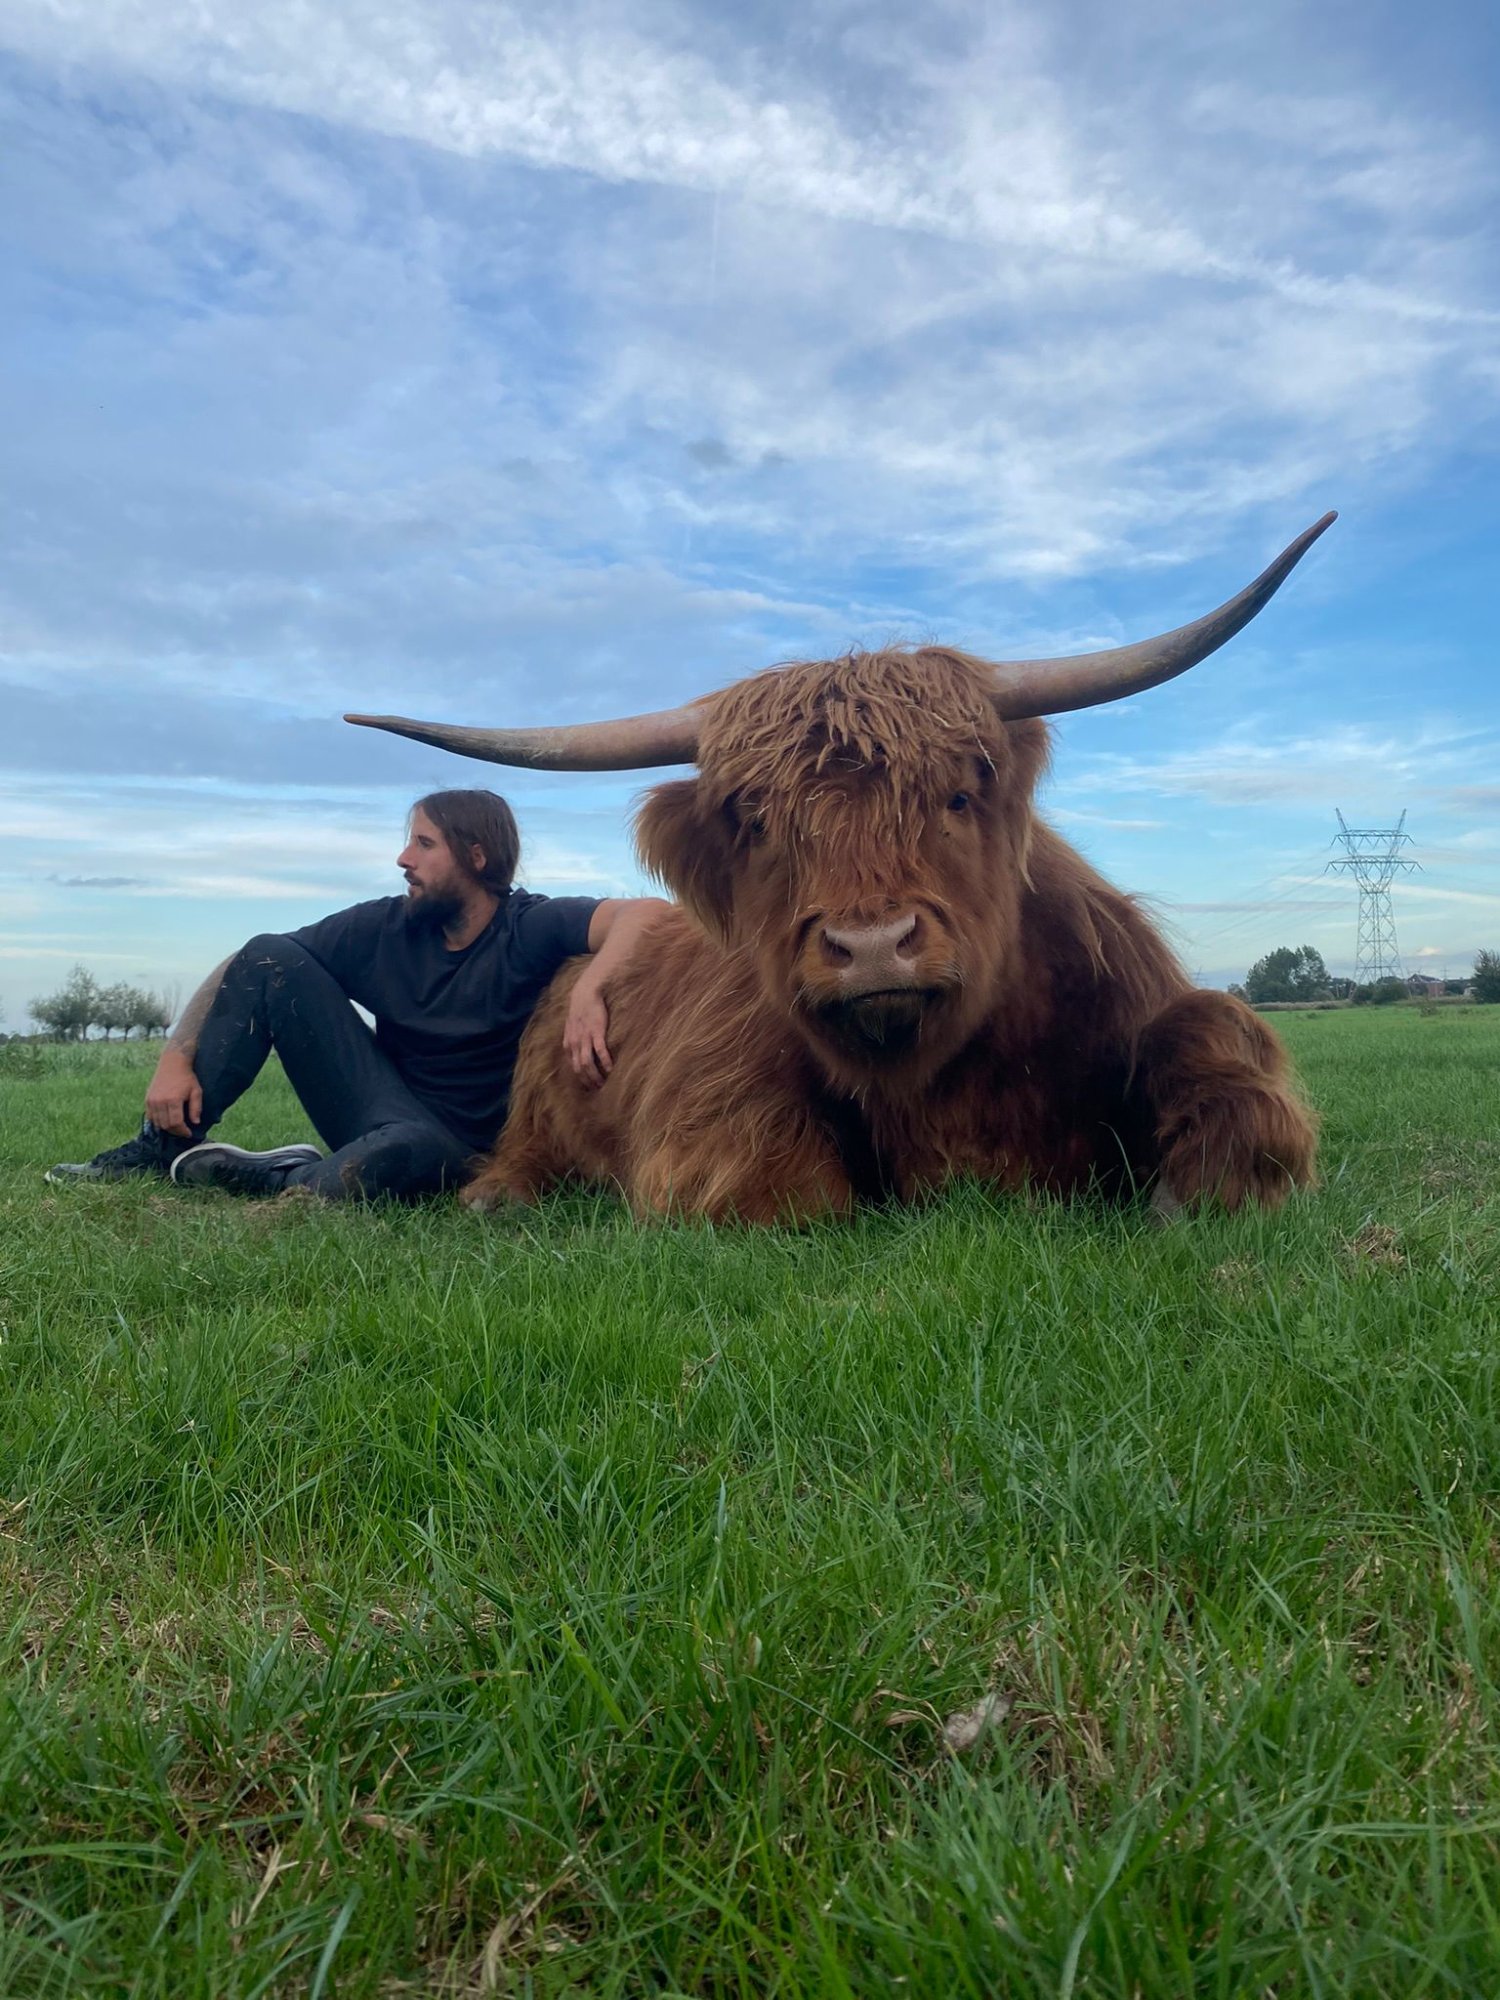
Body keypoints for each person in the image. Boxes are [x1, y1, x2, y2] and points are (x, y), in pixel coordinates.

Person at [46, 789, 668, 1201]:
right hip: (377, 1106)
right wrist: (175, 1055)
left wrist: (592, 984)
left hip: (464, 1148)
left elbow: (646, 913)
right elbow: (249, 964)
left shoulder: (528, 925)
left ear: (476, 857)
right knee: (270, 952)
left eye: (424, 844)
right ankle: (158, 1151)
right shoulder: (384, 926)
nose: (403, 859)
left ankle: (281, 1174)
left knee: (408, 1151)